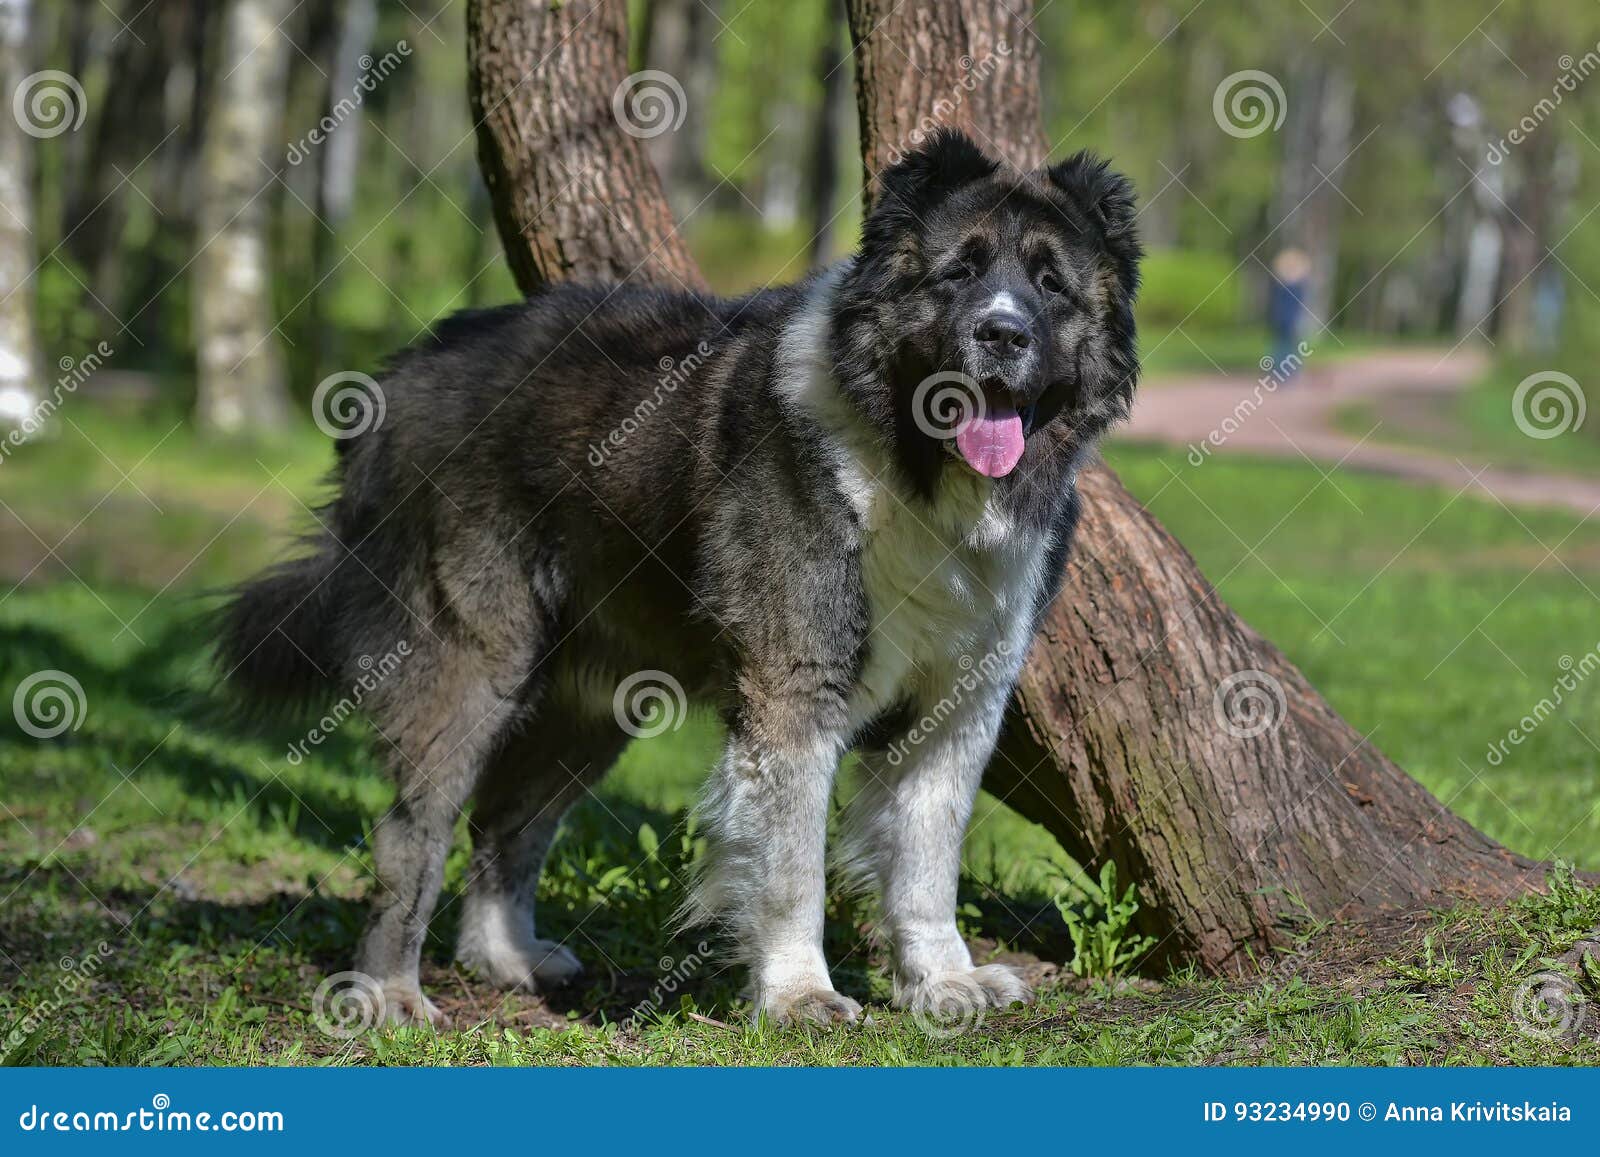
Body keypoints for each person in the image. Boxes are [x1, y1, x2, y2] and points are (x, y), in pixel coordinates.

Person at [1267, 247, 1311, 380]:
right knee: (1285, 348)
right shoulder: (1295, 287)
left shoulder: (1282, 286)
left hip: (1285, 320)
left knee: (1284, 347)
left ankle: (1283, 373)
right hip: (1288, 320)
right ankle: (1286, 374)